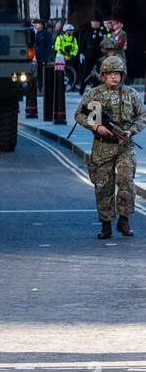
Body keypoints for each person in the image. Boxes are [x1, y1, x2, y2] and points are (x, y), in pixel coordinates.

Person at [73, 54, 145, 238]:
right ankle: (106, 225)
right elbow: (79, 115)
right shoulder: (95, 94)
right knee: (103, 186)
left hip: (124, 146)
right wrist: (95, 126)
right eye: (109, 73)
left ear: (123, 75)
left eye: (117, 73)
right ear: (103, 76)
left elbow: (142, 116)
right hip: (102, 146)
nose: (114, 76)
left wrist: (131, 131)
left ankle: (124, 220)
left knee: (126, 182)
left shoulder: (131, 94)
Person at [54, 23, 80, 91]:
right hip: (60, 56)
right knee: (59, 72)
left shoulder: (73, 39)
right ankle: (58, 85)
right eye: (69, 30)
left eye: (71, 30)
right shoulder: (60, 37)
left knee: (70, 72)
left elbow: (75, 48)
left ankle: (71, 85)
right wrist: (61, 51)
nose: (70, 32)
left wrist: (73, 54)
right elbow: (57, 45)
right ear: (65, 31)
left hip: (69, 57)